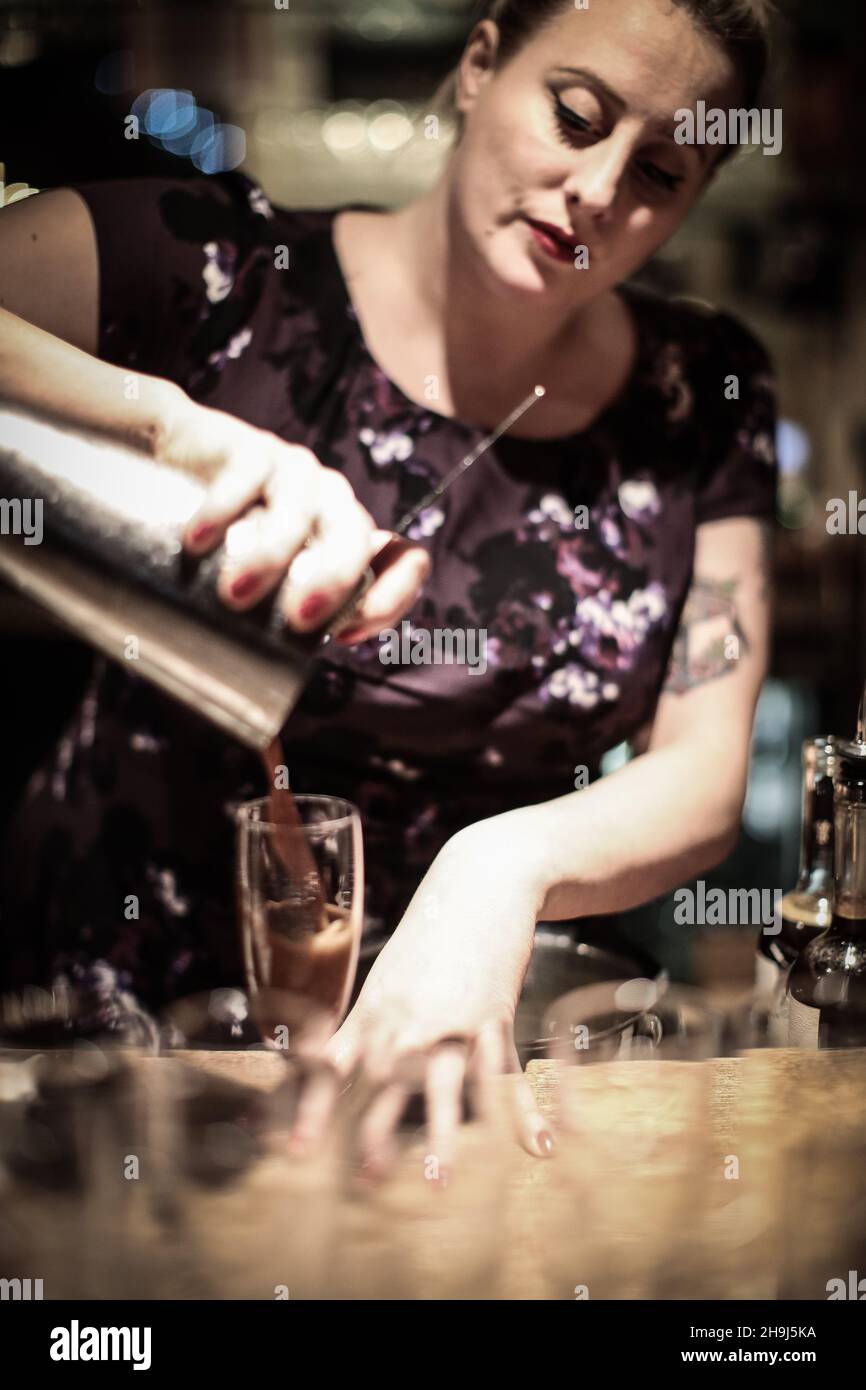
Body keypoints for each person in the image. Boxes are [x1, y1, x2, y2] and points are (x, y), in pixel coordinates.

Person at [0, 0, 777, 1167]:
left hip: (471, 1062)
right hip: (128, 1048)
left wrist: (496, 868)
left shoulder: (699, 391)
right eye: (575, 114)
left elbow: (706, 775)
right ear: (477, 66)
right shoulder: (216, 273)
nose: (601, 189)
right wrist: (161, 426)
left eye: (661, 172)